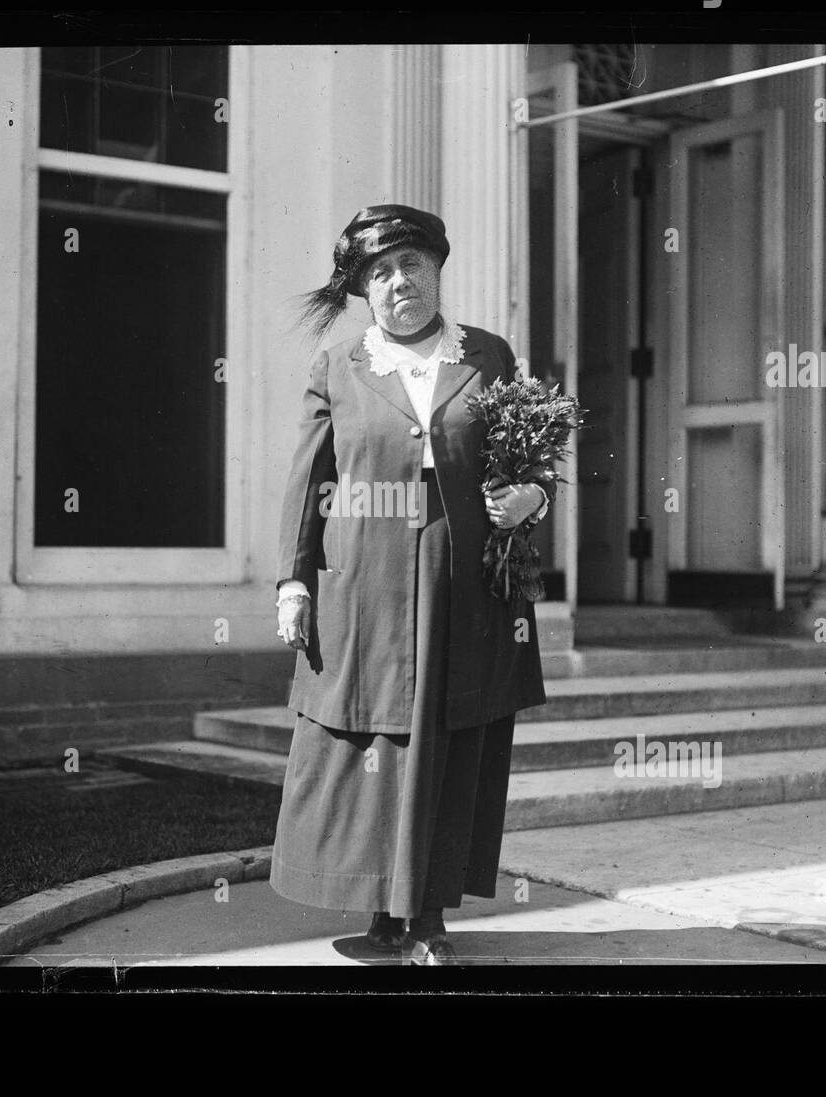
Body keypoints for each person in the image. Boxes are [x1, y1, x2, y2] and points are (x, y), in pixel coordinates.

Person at [270, 204, 554, 965]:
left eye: (414, 266)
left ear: (438, 270)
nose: (402, 282)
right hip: (365, 578)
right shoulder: (339, 366)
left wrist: (532, 501)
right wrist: (293, 582)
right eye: (383, 272)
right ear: (366, 288)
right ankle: (380, 910)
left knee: (446, 738)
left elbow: (522, 464)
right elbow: (310, 483)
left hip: (462, 575)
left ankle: (427, 918)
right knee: (371, 740)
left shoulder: (488, 356)